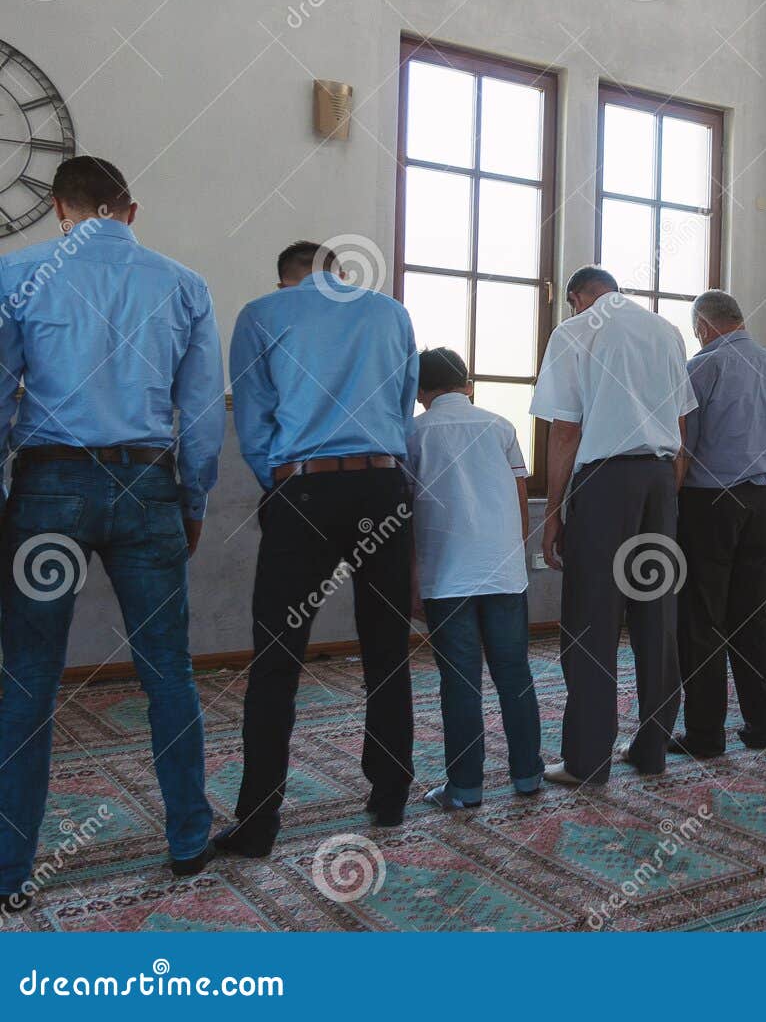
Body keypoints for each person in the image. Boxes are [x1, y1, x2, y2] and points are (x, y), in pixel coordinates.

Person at [0, 157, 224, 910]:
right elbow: (199, 413)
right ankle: (189, 839)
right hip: (147, 485)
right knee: (168, 670)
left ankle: (8, 868)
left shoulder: (17, 274)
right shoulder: (183, 283)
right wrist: (192, 498)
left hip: (48, 487)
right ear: (131, 209)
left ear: (60, 208)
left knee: (28, 680)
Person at [218, 240, 419, 857]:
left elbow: (254, 422)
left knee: (277, 657)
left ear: (287, 281)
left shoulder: (262, 314)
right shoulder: (391, 313)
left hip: (304, 490)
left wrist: (280, 483)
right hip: (384, 483)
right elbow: (403, 408)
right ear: (339, 272)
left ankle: (257, 823)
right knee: (387, 646)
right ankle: (389, 796)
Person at [532, 267, 695, 785]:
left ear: (577, 296)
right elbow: (682, 424)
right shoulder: (664, 330)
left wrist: (553, 512)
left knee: (591, 622)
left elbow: (564, 431)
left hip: (603, 483)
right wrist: (667, 491)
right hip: (658, 480)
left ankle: (586, 760)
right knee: (657, 615)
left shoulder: (577, 330)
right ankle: (652, 749)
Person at [407, 348, 543, 810]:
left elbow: (405, 515)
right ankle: (528, 775)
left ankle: (465, 788)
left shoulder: (413, 434)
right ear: (466, 383)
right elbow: (521, 499)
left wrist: (412, 579)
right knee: (515, 674)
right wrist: (516, 557)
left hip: (446, 576)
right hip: (502, 571)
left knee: (460, 682)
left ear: (421, 390)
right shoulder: (500, 426)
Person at [674, 290, 766, 757]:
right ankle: (762, 723)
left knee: (702, 620)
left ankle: (706, 735)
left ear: (703, 327)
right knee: (754, 616)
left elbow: (685, 450)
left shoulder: (702, 367)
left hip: (711, 502)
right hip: (764, 500)